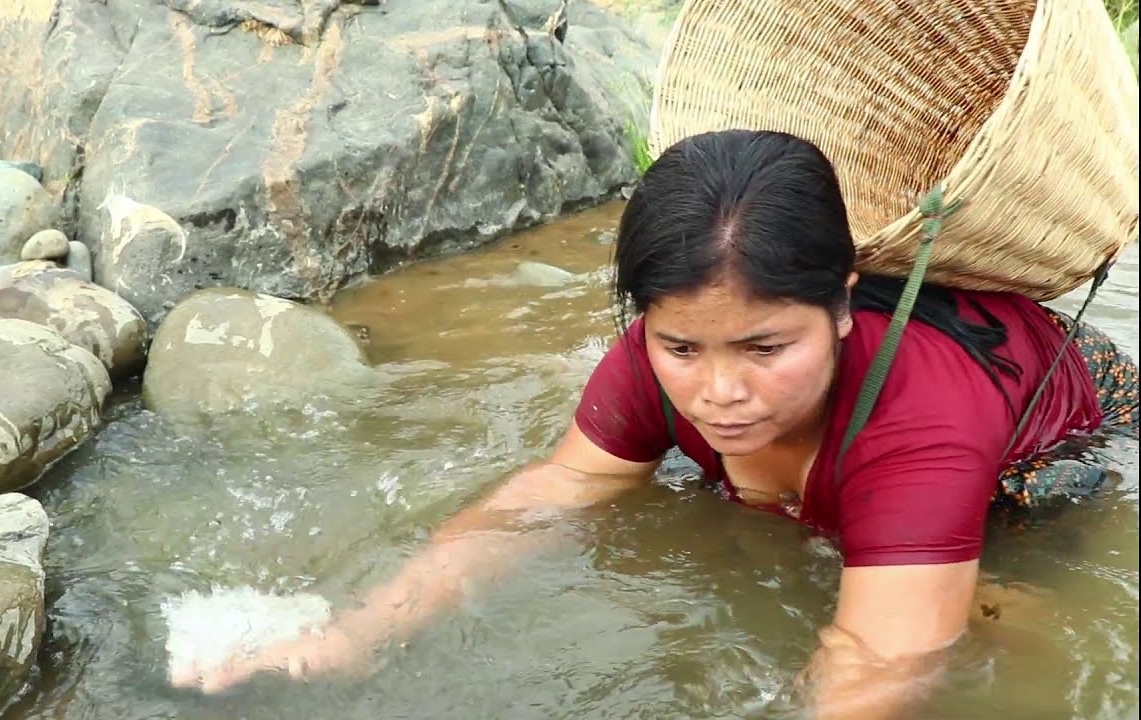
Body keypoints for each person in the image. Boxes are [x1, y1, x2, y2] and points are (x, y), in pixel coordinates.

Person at [171, 130, 1138, 716]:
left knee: (993, 625)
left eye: (765, 350)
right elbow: (555, 492)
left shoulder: (920, 420)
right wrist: (357, 633)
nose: (719, 391)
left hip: (1066, 439)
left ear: (844, 303)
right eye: (683, 349)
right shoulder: (655, 350)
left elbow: (876, 662)